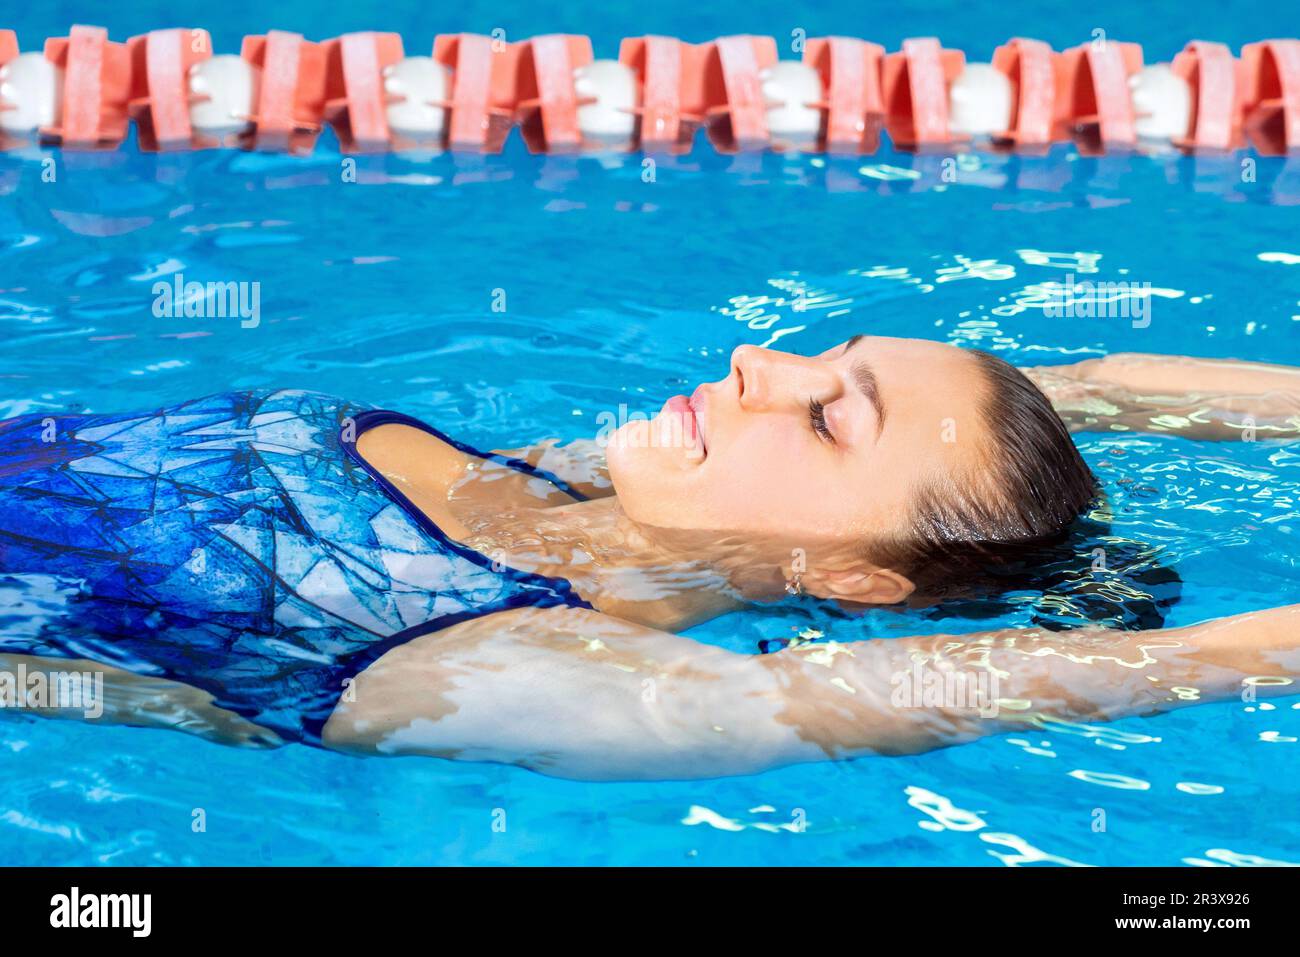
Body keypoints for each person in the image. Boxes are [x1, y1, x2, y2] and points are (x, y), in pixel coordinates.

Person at [1, 337, 1297, 779]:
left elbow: (887, 694)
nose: (758, 367)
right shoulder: (561, 479)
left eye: (828, 412)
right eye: (822, 355)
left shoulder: (519, 658)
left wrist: (1257, 649)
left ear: (852, 579)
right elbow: (1093, 383)